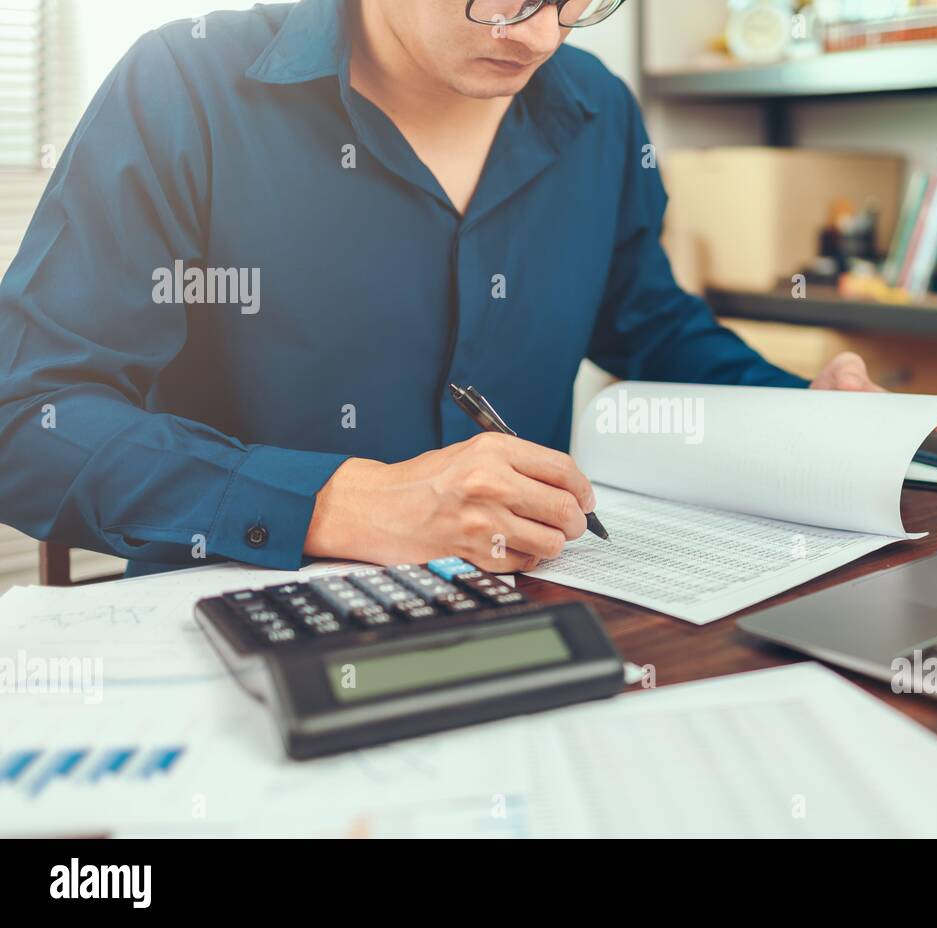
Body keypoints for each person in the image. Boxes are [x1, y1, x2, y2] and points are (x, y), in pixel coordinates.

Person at [0, 0, 879, 576]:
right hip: (241, 626)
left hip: (533, 614)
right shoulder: (183, 86)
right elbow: (26, 418)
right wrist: (334, 502)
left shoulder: (596, 107)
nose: (541, 35)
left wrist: (804, 409)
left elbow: (646, 320)